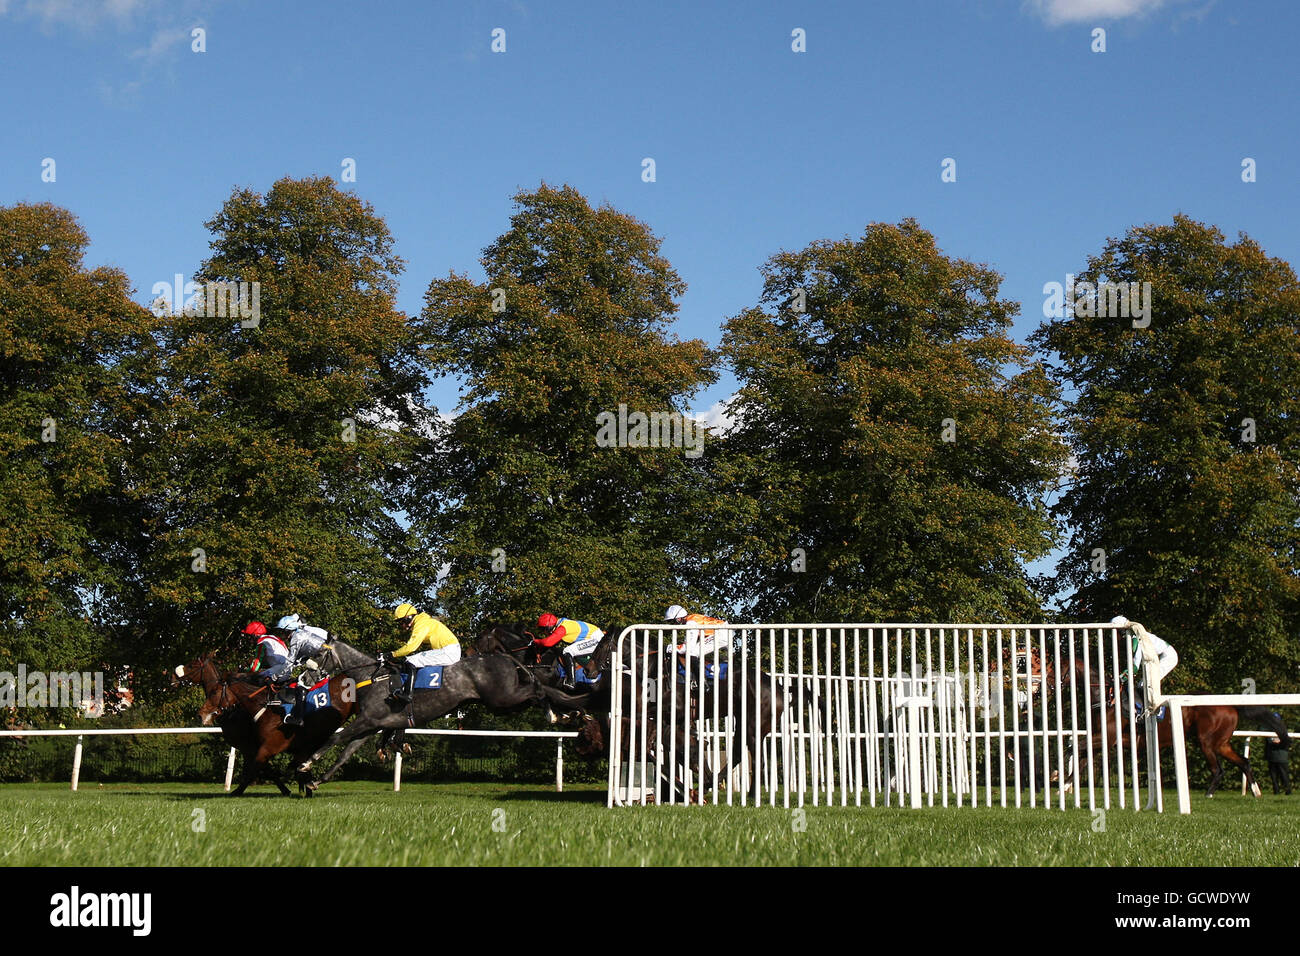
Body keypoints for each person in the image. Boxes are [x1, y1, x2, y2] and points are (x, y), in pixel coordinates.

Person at [389, 603, 461, 703]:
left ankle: (407, 695)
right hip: (448, 650)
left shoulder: (421, 624)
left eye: (401, 622)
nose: (401, 626)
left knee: (411, 660)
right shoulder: (421, 621)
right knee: (412, 659)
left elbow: (411, 647)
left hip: (448, 651)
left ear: (408, 618)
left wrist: (392, 654)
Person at [1111, 615, 1177, 716]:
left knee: (1145, 684)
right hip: (1161, 656)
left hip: (1168, 657)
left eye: (1115, 632)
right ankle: (1146, 709)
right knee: (1141, 684)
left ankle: (1159, 709)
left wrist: (1120, 678)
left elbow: (1135, 667)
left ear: (1121, 631)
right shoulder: (1133, 636)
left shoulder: (1137, 638)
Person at [275, 614, 330, 726]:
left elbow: (289, 662)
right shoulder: (301, 633)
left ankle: (298, 718)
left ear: (288, 630)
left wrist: (274, 677)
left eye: (282, 631)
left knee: (301, 685)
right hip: (323, 656)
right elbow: (298, 659)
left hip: (324, 659)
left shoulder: (296, 638)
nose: (281, 634)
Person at [532, 613, 605, 690]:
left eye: (543, 629)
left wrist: (535, 641)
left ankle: (571, 681)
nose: (543, 632)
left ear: (549, 626)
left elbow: (548, 642)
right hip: (593, 637)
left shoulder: (562, 628)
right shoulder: (560, 625)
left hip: (596, 639)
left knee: (567, 651)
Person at [664, 605, 731, 664]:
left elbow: (687, 647)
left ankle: (700, 677)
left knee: (691, 653)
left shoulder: (690, 623)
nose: (672, 624)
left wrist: (669, 648)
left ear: (678, 618)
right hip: (722, 632)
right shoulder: (692, 618)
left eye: (672, 621)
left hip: (721, 634)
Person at [1264, 719, 1291, 795]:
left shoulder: (1284, 730)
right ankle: (1276, 792)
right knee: (1274, 777)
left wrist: (1280, 741)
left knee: (1284, 776)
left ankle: (1288, 791)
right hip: (1272, 757)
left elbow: (1288, 742)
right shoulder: (1269, 731)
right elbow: (1269, 741)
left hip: (1282, 758)